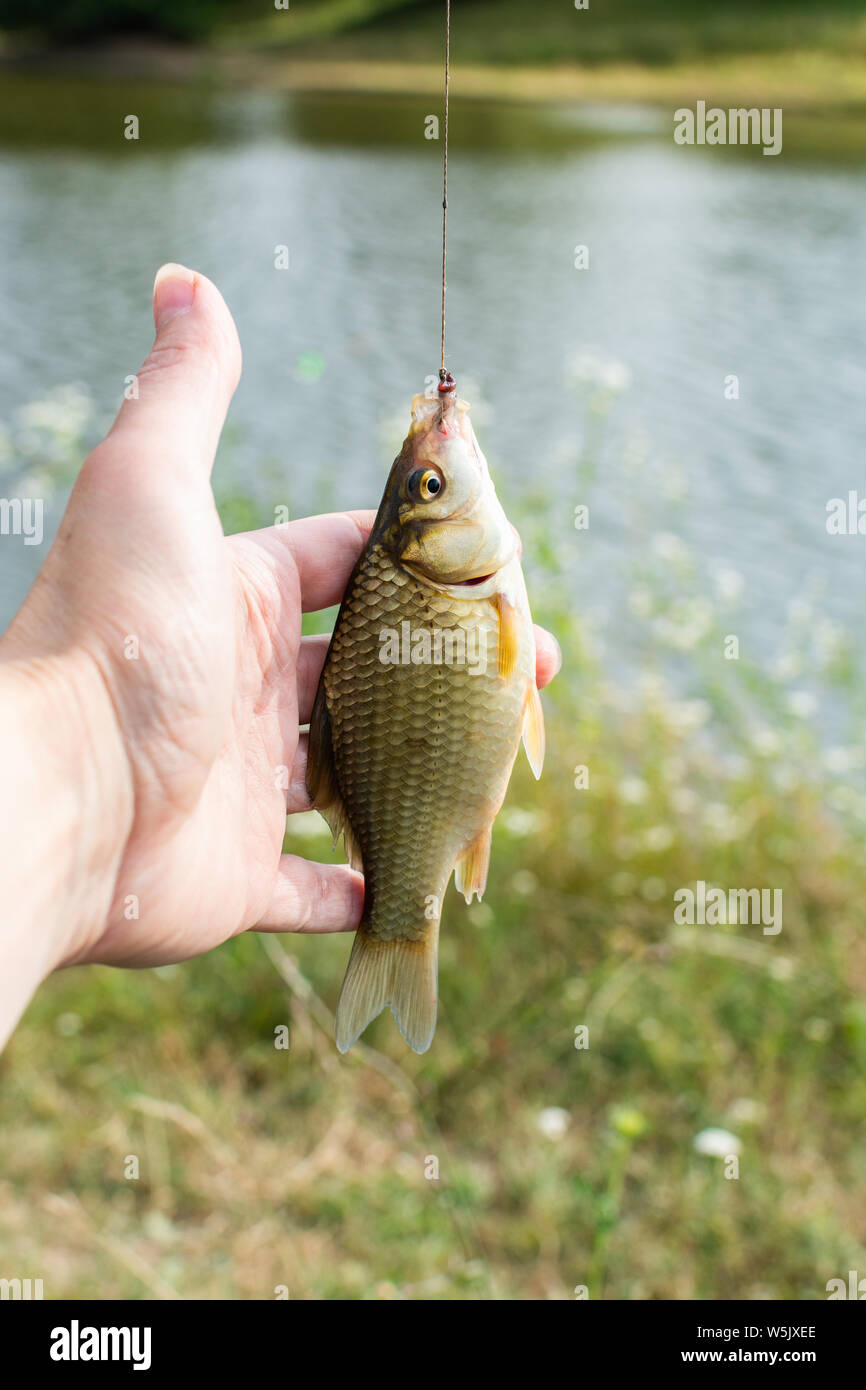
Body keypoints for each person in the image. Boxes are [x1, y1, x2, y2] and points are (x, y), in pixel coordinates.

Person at [0, 264, 560, 1050]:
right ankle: (400, 931)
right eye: (432, 485)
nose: (440, 465)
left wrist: (94, 761)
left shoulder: (445, 583)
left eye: (426, 485)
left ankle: (403, 928)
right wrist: (101, 743)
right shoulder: (451, 580)